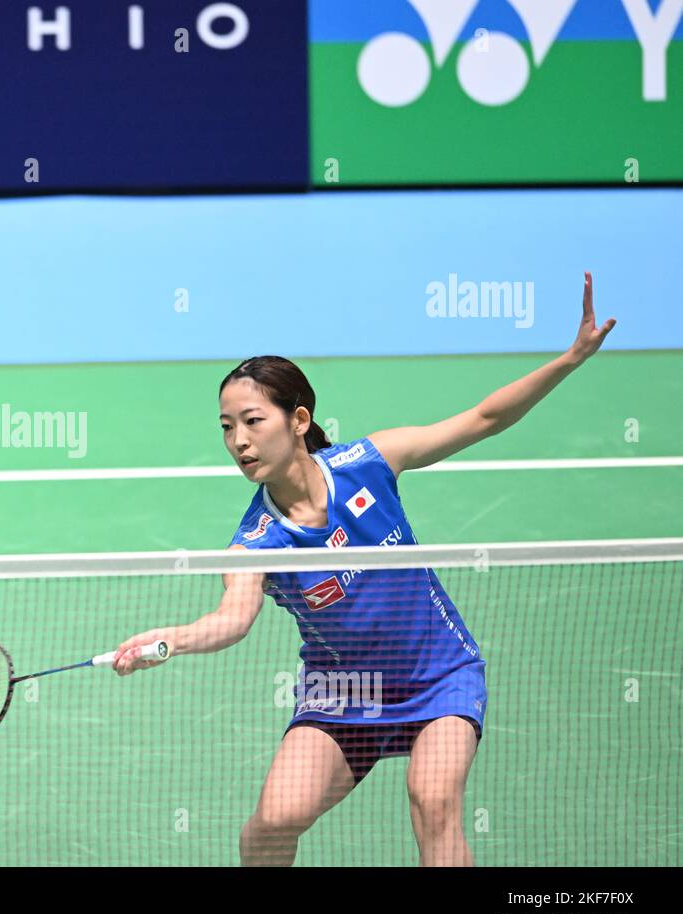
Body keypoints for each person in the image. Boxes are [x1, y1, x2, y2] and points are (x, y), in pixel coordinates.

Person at [112, 273, 616, 865]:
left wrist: (570, 359)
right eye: (227, 427)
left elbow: (483, 418)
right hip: (344, 690)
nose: (239, 441)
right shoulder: (255, 543)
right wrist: (171, 639)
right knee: (272, 824)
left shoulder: (369, 464)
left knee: (433, 802)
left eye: (253, 421)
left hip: (437, 672)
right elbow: (232, 619)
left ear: (298, 420)